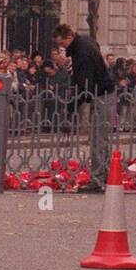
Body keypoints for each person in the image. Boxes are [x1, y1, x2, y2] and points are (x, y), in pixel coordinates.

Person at [52, 23, 115, 190]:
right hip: (103, 92)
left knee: (98, 139)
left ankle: (99, 179)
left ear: (69, 37)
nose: (62, 47)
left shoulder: (83, 53)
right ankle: (106, 176)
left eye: (63, 43)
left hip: (101, 93)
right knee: (101, 138)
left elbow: (84, 85)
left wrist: (72, 107)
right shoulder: (86, 42)